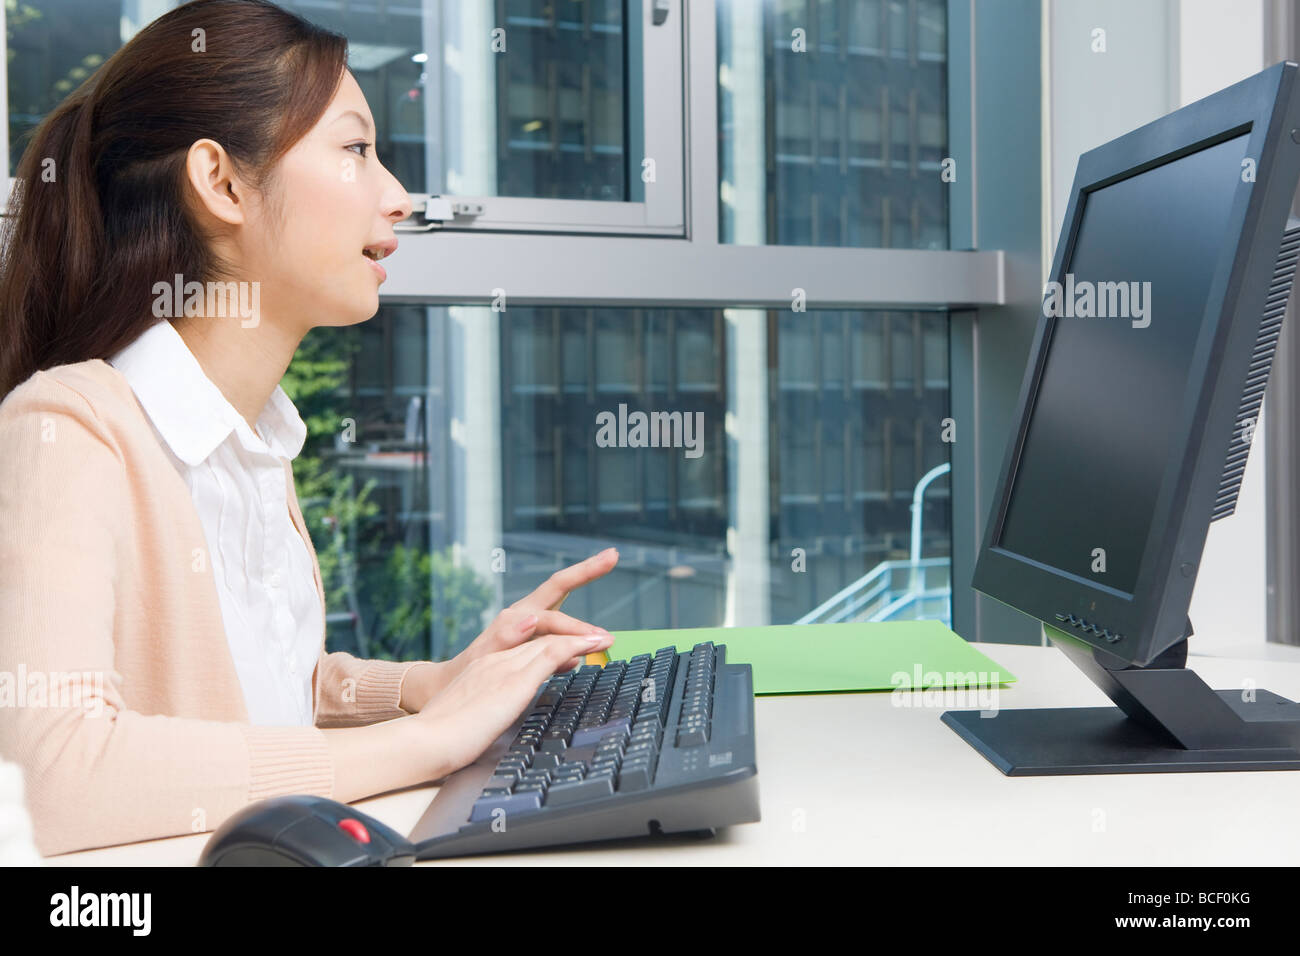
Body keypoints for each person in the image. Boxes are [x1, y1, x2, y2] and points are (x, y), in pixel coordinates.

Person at [0, 0, 617, 857]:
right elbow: (55, 772)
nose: (399, 198)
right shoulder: (67, 429)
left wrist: (432, 686)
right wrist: (429, 741)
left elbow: (257, 699)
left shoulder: (255, 439)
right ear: (221, 183)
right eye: (357, 150)